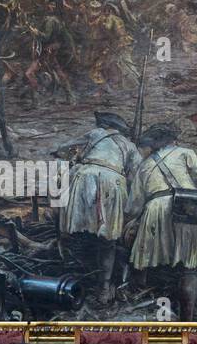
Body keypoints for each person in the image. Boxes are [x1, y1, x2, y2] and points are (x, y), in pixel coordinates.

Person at [127, 122, 197, 320]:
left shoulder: (145, 165)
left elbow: (134, 205)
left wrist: (133, 221)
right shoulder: (185, 153)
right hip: (188, 207)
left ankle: (152, 311)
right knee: (189, 269)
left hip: (155, 209)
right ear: (172, 140)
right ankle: (187, 320)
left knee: (151, 262)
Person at [60, 110, 141, 304]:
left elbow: (63, 148)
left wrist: (72, 159)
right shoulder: (129, 146)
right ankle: (104, 288)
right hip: (112, 184)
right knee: (108, 241)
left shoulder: (94, 135)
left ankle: (69, 278)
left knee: (74, 232)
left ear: (103, 126)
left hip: (84, 179)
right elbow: (137, 176)